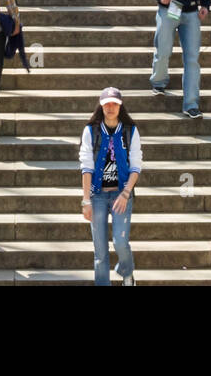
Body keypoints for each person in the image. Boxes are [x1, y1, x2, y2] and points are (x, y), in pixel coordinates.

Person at [79, 87, 142, 286]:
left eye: (114, 103)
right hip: (97, 195)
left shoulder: (130, 130)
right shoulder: (91, 130)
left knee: (120, 242)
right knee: (100, 251)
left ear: (120, 106)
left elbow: (136, 165)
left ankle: (126, 271)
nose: (111, 107)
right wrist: (86, 200)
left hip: (121, 195)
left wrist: (125, 193)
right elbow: (86, 166)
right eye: (107, 104)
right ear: (101, 106)